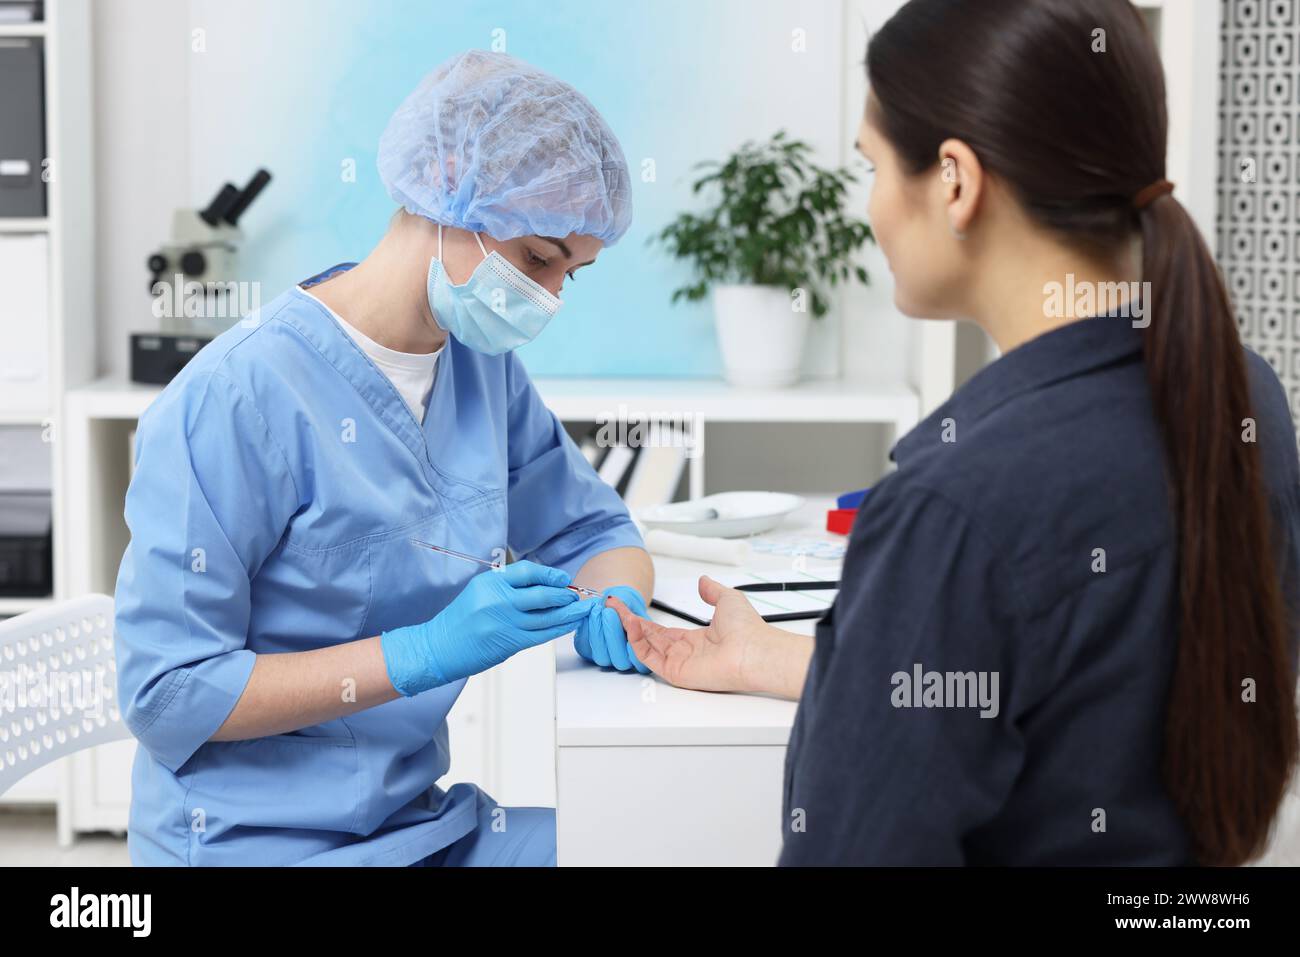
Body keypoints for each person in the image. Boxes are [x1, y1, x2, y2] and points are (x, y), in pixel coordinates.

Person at [611, 0, 1300, 866]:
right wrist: (784, 660)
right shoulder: (1247, 403)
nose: (869, 210)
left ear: (954, 180)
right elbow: (1073, 696)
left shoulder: (951, 507)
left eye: (872, 167)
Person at [114, 50, 653, 867]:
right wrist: (421, 653)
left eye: (572, 274)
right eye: (540, 260)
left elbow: (594, 526)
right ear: (444, 180)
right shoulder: (235, 398)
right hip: (252, 843)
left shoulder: (479, 367)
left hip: (417, 824)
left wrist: (619, 600)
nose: (548, 299)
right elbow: (167, 691)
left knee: (654, 837)